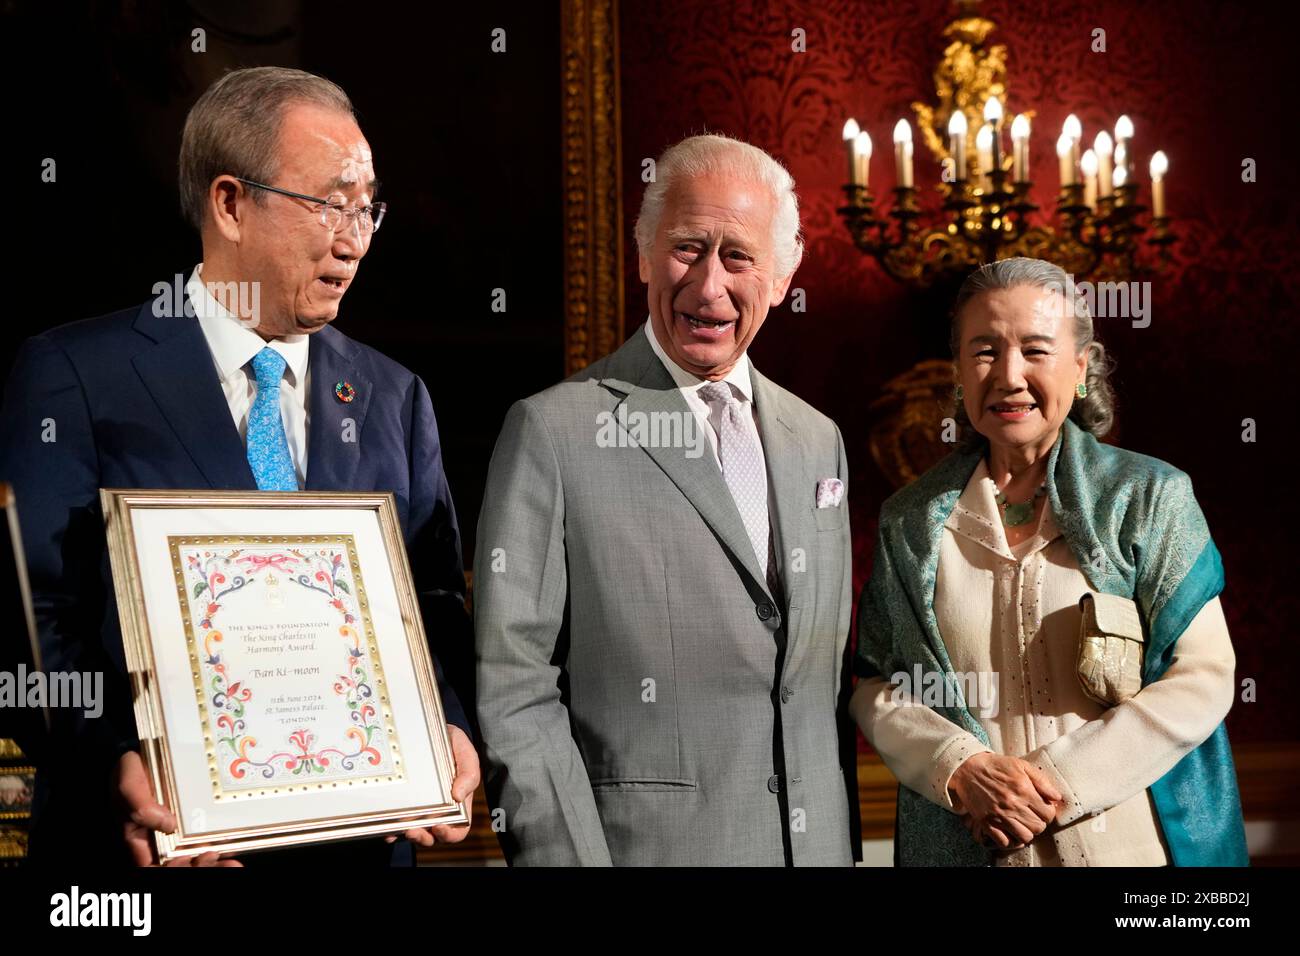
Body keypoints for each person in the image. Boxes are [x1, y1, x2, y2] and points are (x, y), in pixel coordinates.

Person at [0, 66, 478, 866]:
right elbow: (32, 624)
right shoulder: (76, 376)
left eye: (368, 209)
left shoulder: (396, 398)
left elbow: (435, 608)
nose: (355, 239)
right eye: (331, 204)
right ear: (230, 202)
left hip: (359, 851)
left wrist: (450, 728)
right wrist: (114, 762)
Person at [474, 133, 859, 865]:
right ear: (645, 253)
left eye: (739, 256)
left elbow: (817, 691)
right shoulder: (553, 431)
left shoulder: (818, 441)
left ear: (782, 275)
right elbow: (513, 686)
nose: (709, 286)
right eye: (687, 248)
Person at [852, 256, 1247, 865]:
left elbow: (1204, 676)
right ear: (957, 373)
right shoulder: (910, 522)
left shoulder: (1147, 497)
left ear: (1081, 368)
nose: (1009, 376)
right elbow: (875, 683)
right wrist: (961, 768)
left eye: (1036, 350)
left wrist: (1054, 783)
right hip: (970, 845)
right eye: (984, 351)